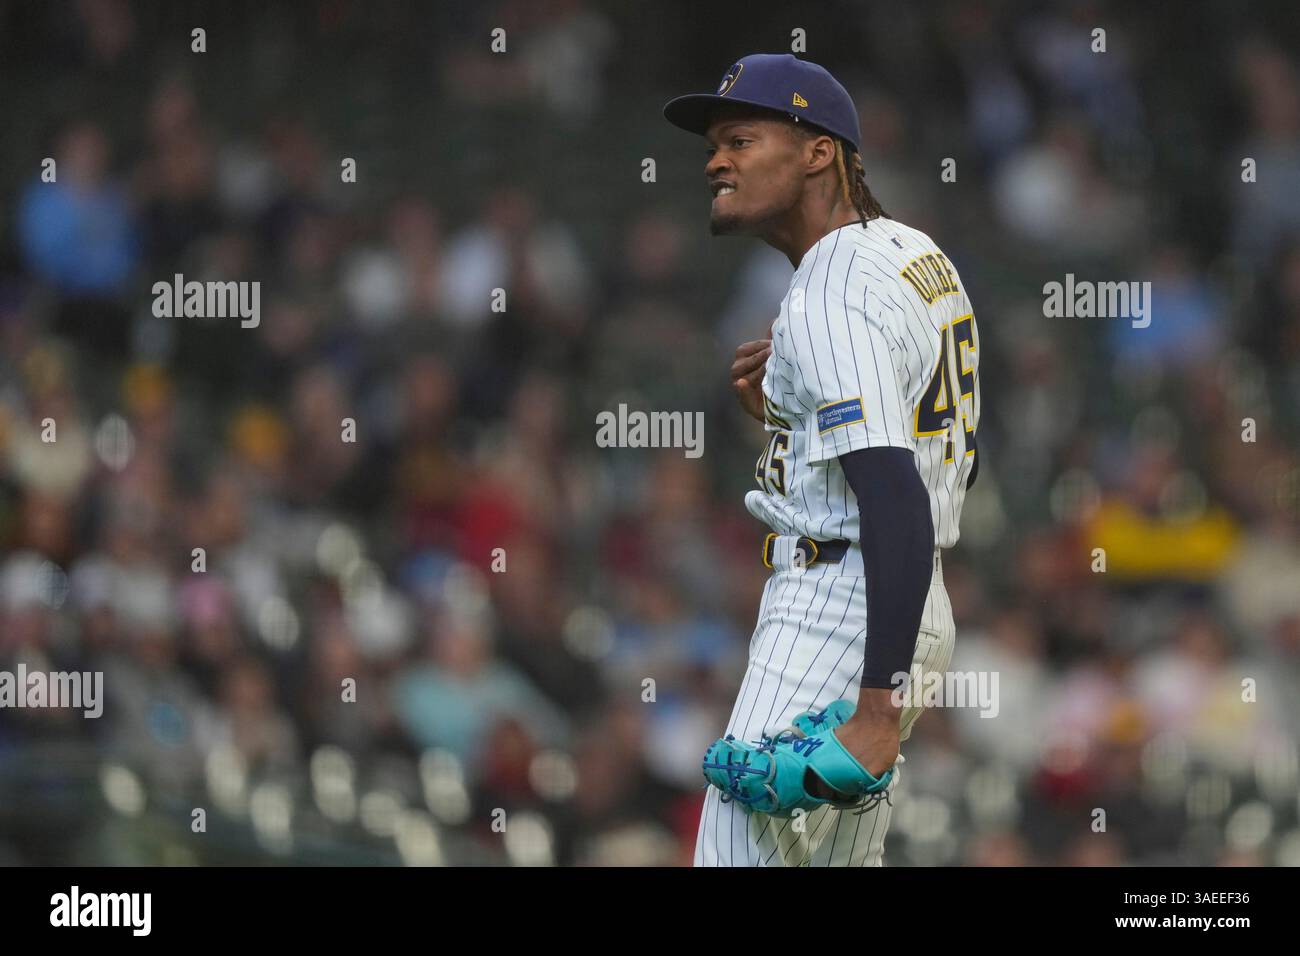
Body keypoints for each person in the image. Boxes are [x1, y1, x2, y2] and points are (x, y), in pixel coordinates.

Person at [663, 53, 983, 866]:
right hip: (906, 603)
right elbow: (930, 455)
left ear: (817, 151)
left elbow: (893, 491)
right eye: (713, 145)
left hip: (842, 603)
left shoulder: (829, 288)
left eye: (740, 138)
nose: (715, 160)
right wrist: (789, 420)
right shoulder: (913, 252)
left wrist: (876, 706)